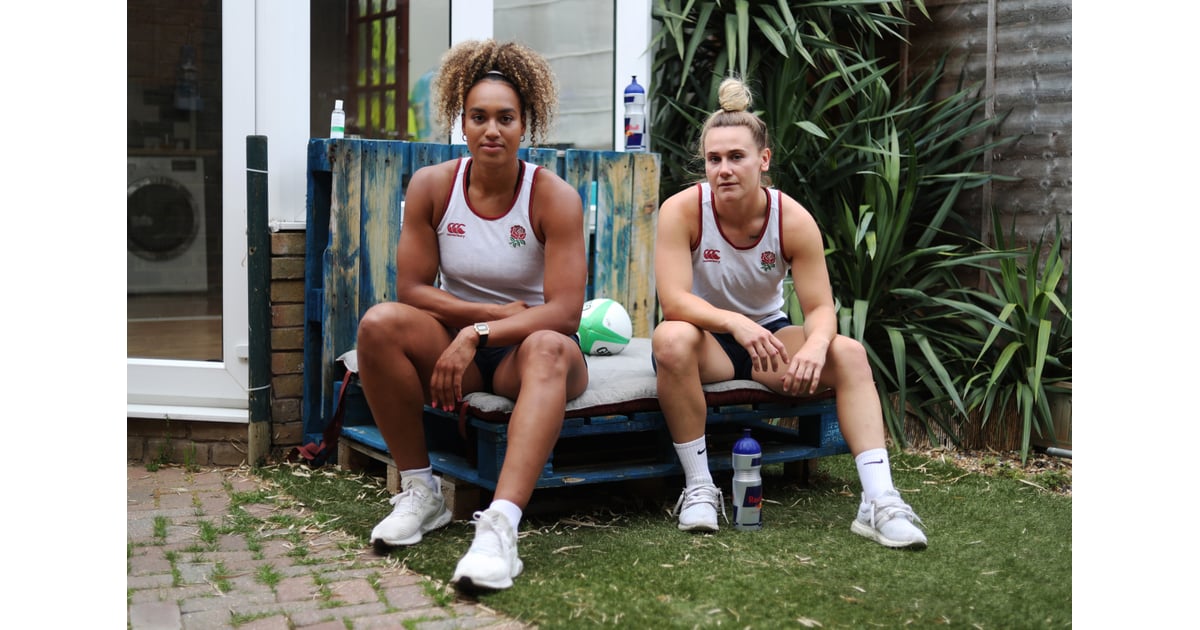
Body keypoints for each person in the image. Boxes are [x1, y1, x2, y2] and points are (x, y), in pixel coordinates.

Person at [651, 76, 927, 549]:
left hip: (770, 344)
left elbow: (820, 307)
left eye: (736, 157)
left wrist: (817, 346)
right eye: (714, 159)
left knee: (850, 353)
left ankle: (879, 501)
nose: (724, 170)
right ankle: (699, 487)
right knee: (669, 338)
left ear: (763, 160)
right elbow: (674, 301)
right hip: (709, 342)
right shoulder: (683, 210)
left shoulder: (792, 219)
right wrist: (734, 322)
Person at [355, 39, 590, 592]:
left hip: (531, 347)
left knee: (552, 346)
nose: (492, 130)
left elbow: (564, 312)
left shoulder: (553, 197)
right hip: (464, 340)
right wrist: (477, 319)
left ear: (524, 124)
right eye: (479, 117)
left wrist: (484, 332)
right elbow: (411, 289)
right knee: (378, 324)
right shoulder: (433, 186)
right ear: (461, 123)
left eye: (505, 118)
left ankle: (500, 528)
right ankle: (422, 493)